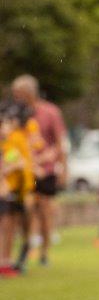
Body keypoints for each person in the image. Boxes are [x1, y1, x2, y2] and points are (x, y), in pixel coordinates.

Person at [12, 75, 66, 266]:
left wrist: (60, 167)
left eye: (18, 94)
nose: (15, 97)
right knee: (25, 210)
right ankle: (26, 247)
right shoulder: (17, 115)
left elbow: (60, 143)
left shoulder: (50, 112)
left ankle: (44, 252)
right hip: (25, 171)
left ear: (28, 93)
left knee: (44, 211)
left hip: (46, 170)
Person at [0, 105, 35, 277]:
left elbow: (25, 165)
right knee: (5, 228)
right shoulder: (10, 141)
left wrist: (27, 190)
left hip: (16, 191)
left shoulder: (17, 139)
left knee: (11, 228)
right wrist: (14, 165)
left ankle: (7, 261)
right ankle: (4, 261)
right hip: (7, 190)